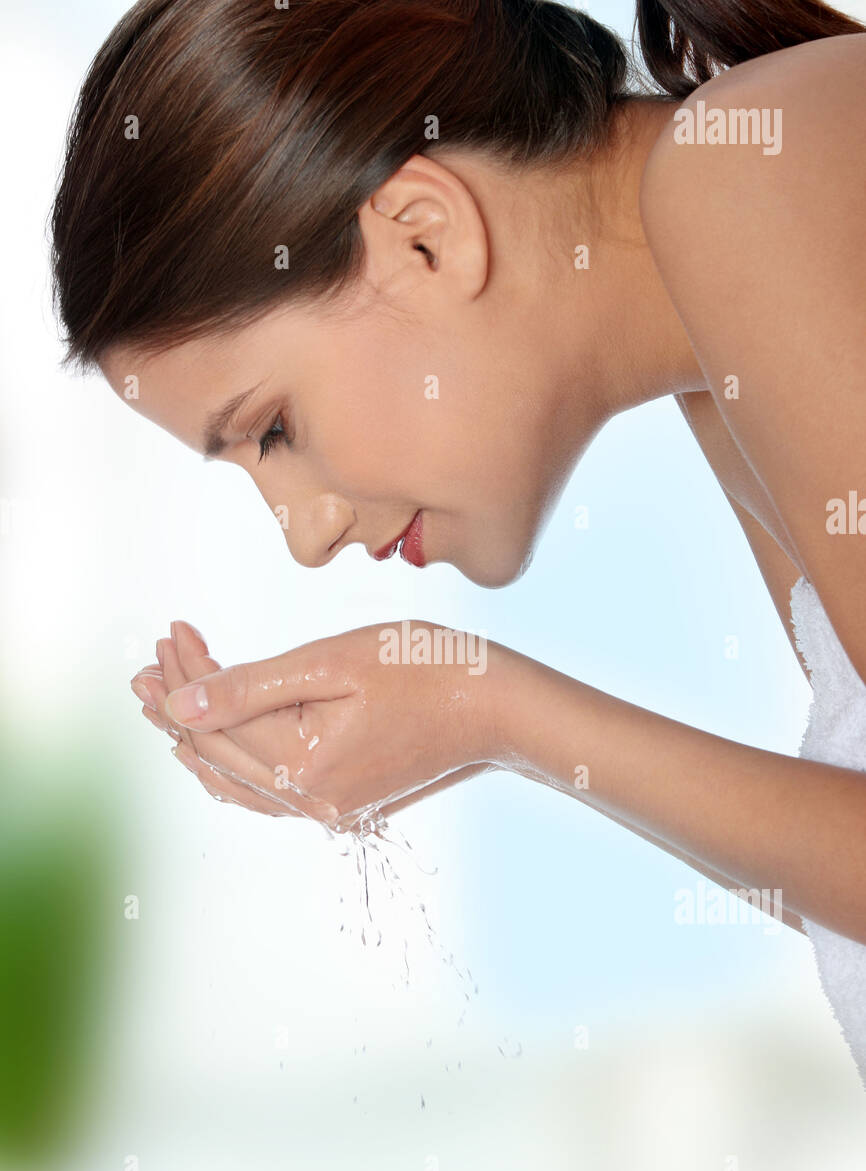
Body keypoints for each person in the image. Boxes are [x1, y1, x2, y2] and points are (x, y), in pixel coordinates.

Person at [51, 0, 866, 1069]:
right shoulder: (716, 339)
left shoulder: (739, 181)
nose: (303, 534)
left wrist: (492, 709)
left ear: (425, 239)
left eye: (274, 429)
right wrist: (479, 732)